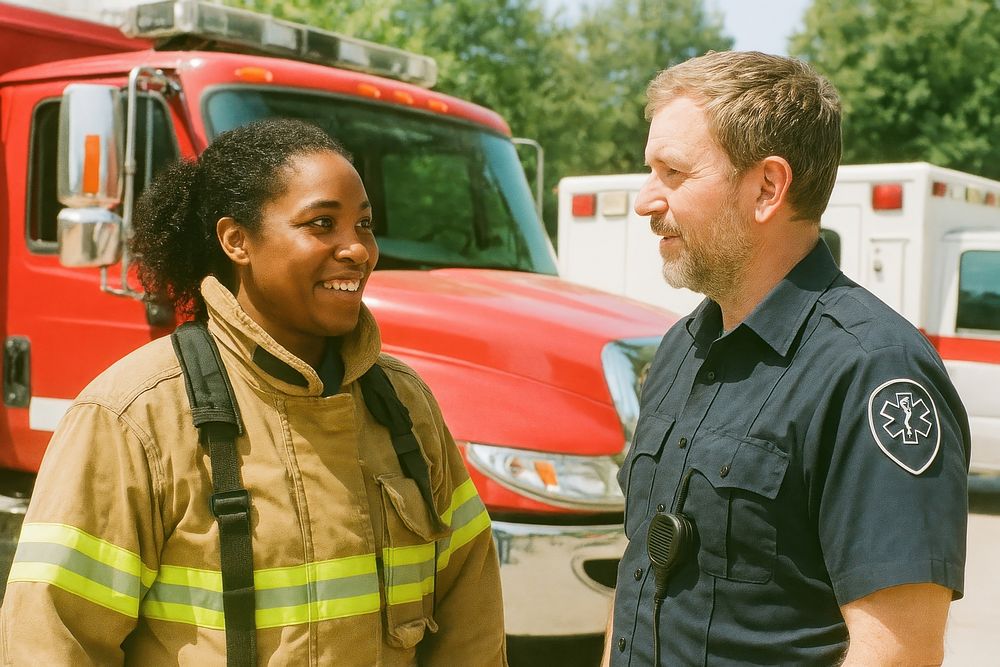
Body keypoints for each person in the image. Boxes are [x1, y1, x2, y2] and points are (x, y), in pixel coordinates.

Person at [0, 118, 507, 665]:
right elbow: (52, 640)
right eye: (321, 224)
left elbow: (470, 616)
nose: (357, 250)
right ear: (236, 240)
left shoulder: (405, 405)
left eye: (363, 225)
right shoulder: (136, 414)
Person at [603, 51, 969, 665]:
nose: (645, 200)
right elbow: (639, 577)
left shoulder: (873, 371)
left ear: (768, 188)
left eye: (672, 172)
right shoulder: (679, 350)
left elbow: (897, 654)